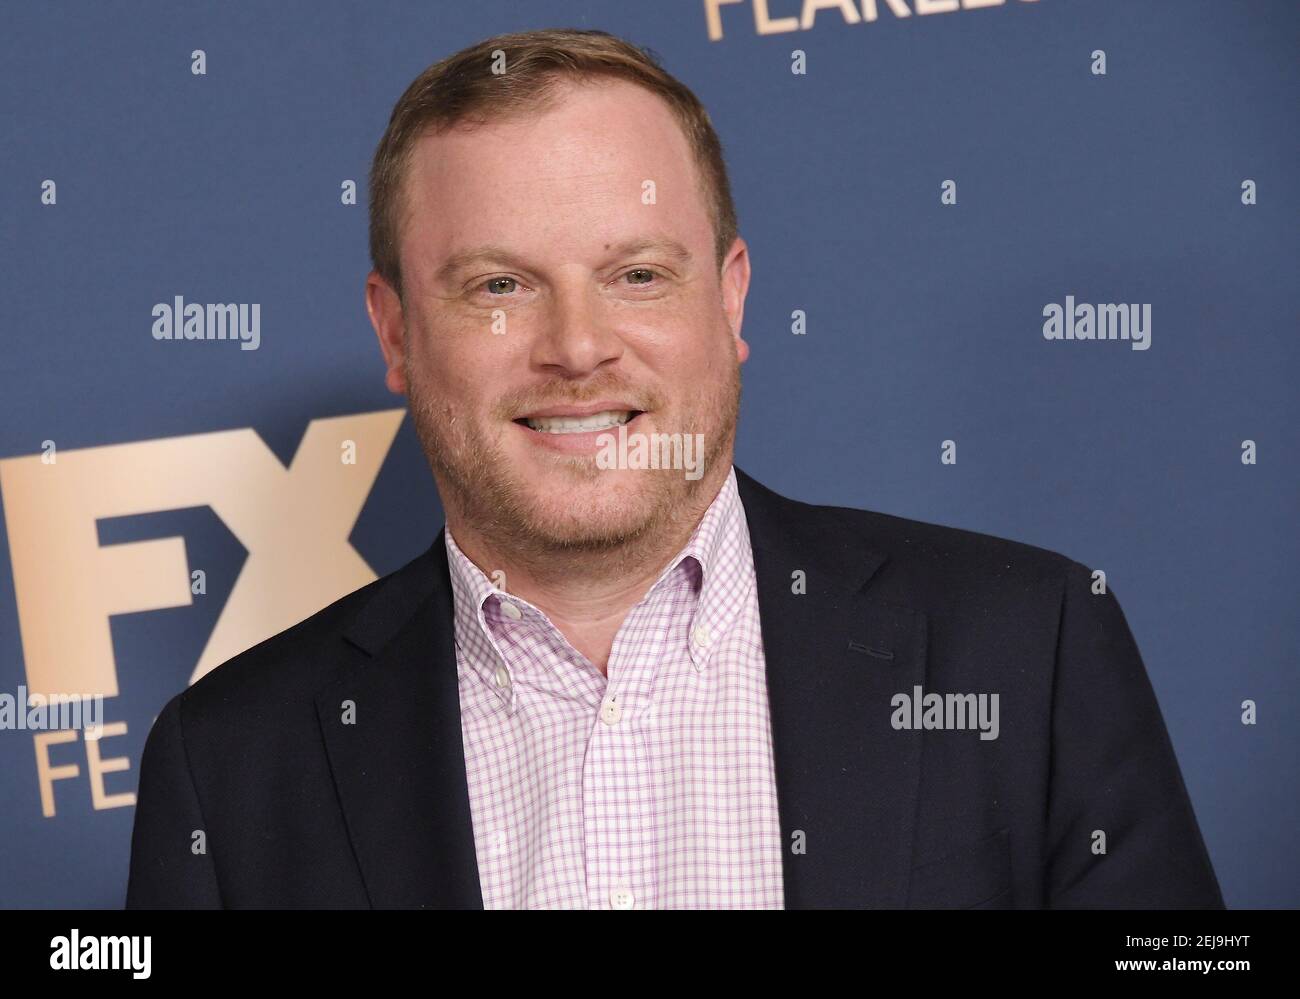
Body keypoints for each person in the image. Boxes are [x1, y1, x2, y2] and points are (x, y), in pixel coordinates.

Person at [126, 28, 1223, 909]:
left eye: (638, 274)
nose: (577, 345)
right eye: (498, 286)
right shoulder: (228, 768)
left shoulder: (1029, 647)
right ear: (398, 334)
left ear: (732, 298)